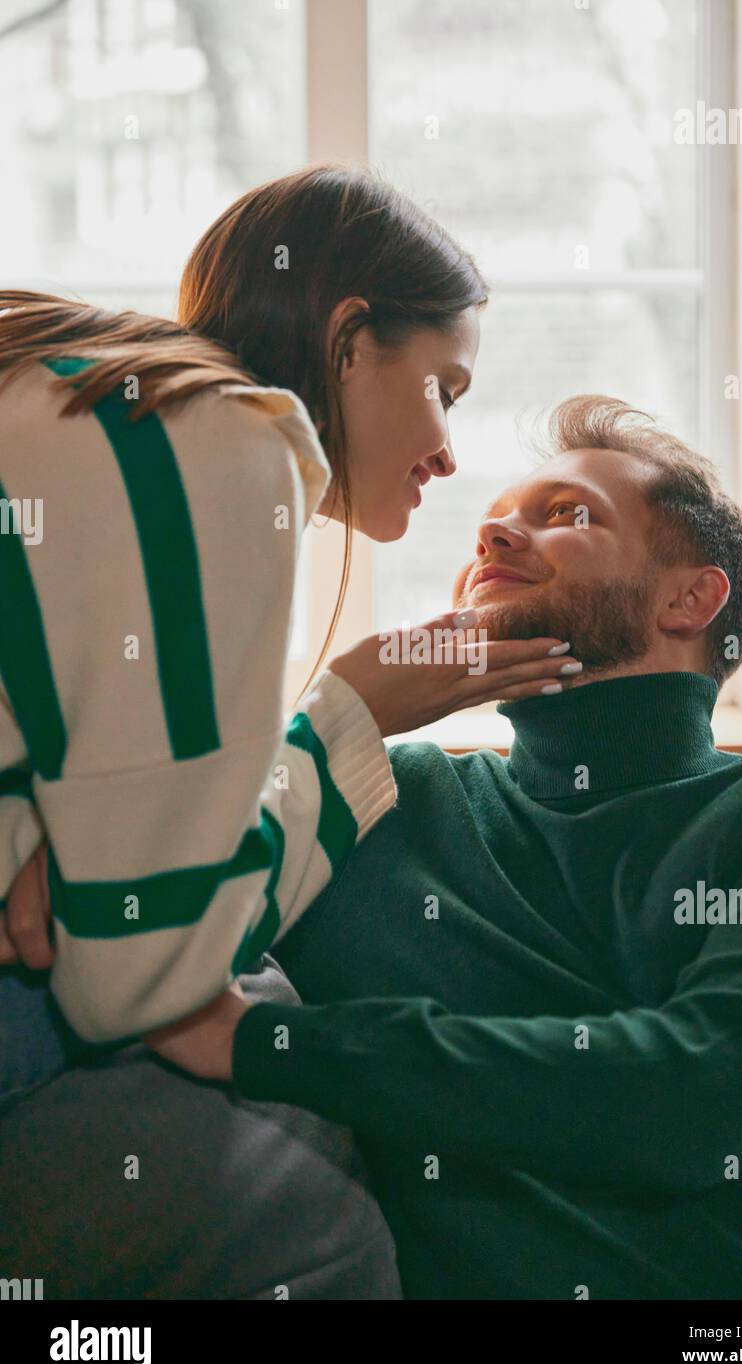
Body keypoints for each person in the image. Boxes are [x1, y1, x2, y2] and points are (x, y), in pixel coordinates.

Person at [140, 395, 742, 1300]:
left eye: (567, 515)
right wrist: (340, 712)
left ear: (691, 596)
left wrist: (267, 1043)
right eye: (489, 528)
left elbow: (696, 1103)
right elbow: (143, 923)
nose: (493, 540)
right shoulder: (383, 798)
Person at [0, 166, 576, 1297]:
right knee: (309, 1217)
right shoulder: (220, 440)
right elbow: (144, 977)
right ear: (350, 338)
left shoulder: (80, 383)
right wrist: (356, 711)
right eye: (445, 387)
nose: (451, 450)